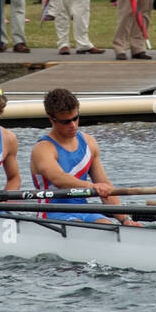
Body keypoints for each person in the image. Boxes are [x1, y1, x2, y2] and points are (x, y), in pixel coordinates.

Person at [29, 88, 135, 225]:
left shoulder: (89, 143)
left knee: (109, 226)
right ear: (51, 119)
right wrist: (93, 186)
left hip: (83, 210)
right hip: (52, 212)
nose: (73, 125)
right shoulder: (43, 148)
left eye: (75, 118)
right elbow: (58, 178)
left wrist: (125, 219)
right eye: (66, 122)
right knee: (80, 226)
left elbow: (105, 187)